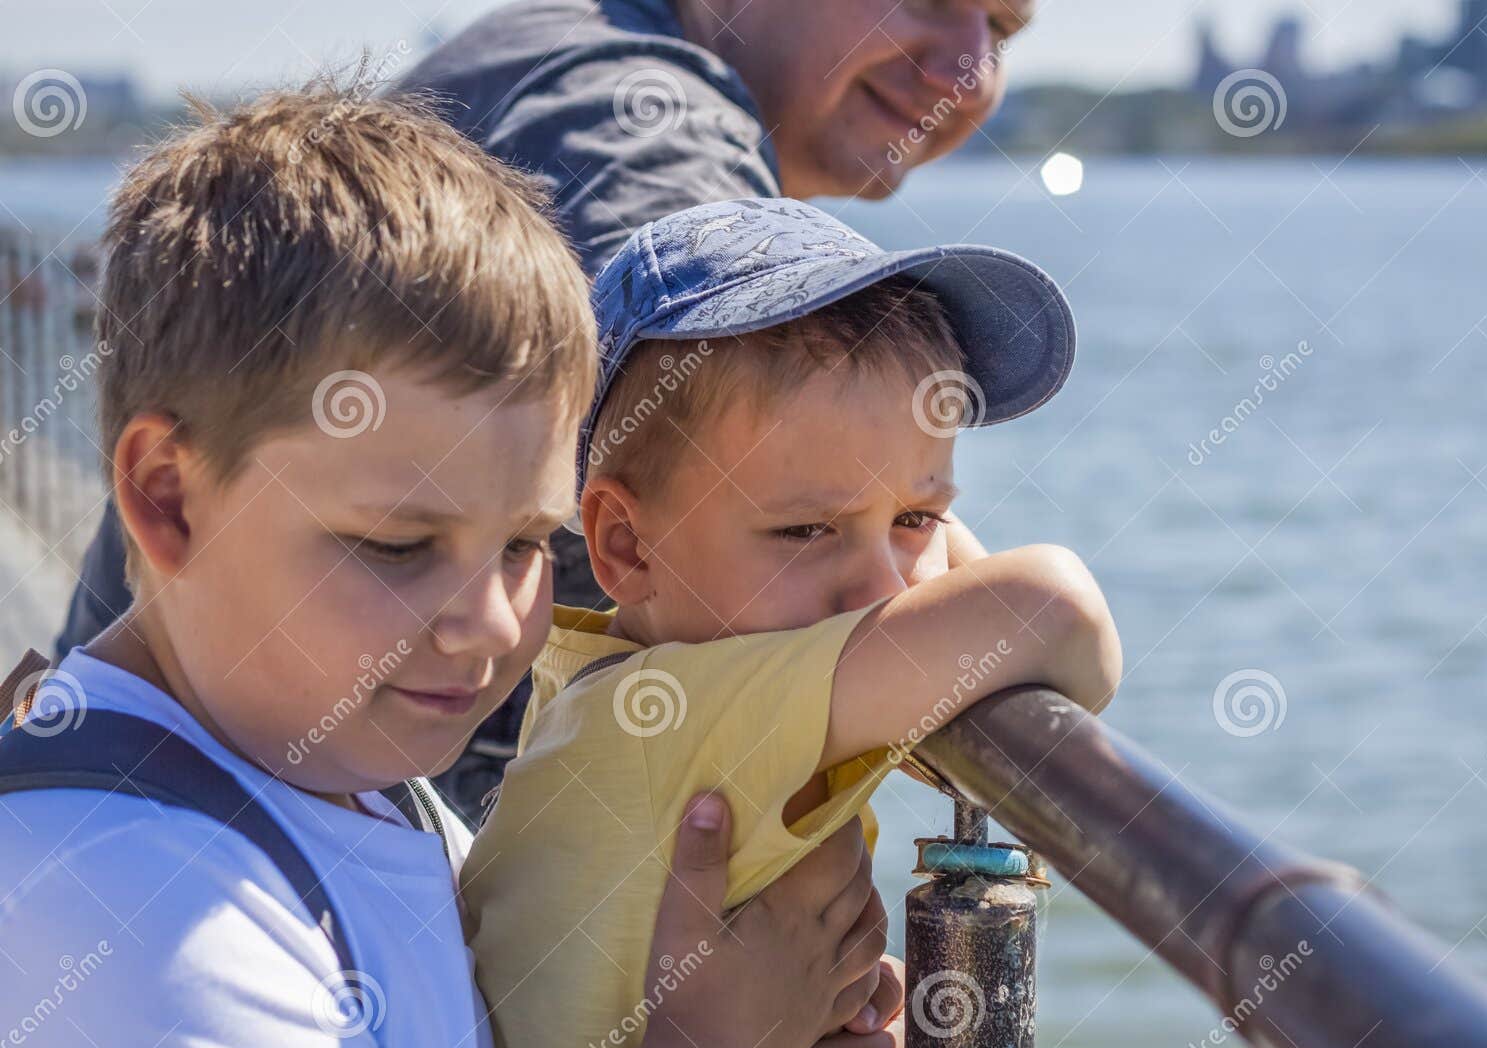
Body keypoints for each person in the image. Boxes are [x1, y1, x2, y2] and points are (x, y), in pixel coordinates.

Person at [0, 88, 899, 1048]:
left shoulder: (360, 782)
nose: (484, 623)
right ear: (171, 498)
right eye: (395, 546)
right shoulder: (141, 919)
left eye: (522, 544)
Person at [53, 0, 1036, 824]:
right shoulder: (639, 130)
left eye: (1001, 22)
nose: (964, 64)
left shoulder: (544, 55)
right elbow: (749, 422)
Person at [466, 197, 1121, 1048]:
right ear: (626, 545)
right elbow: (1060, 613)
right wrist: (917, 523)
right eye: (805, 531)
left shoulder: (602, 675)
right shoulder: (698, 710)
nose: (883, 588)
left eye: (916, 519)